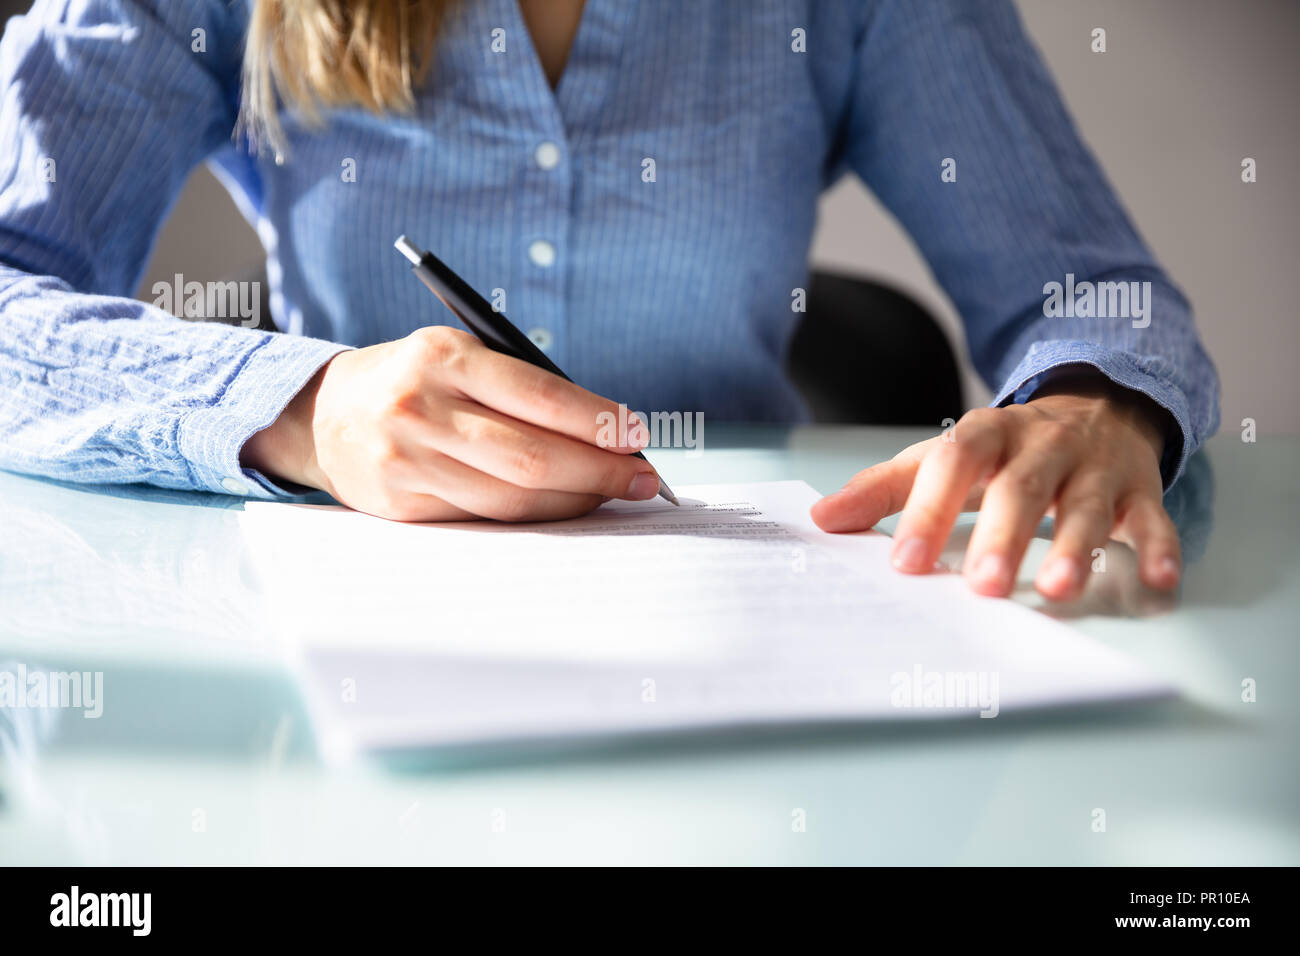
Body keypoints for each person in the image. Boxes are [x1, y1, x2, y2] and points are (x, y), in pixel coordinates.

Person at [0, 0, 1219, 602]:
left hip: (750, 621)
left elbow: (1090, 288)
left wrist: (1089, 398)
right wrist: (302, 406)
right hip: (360, 613)